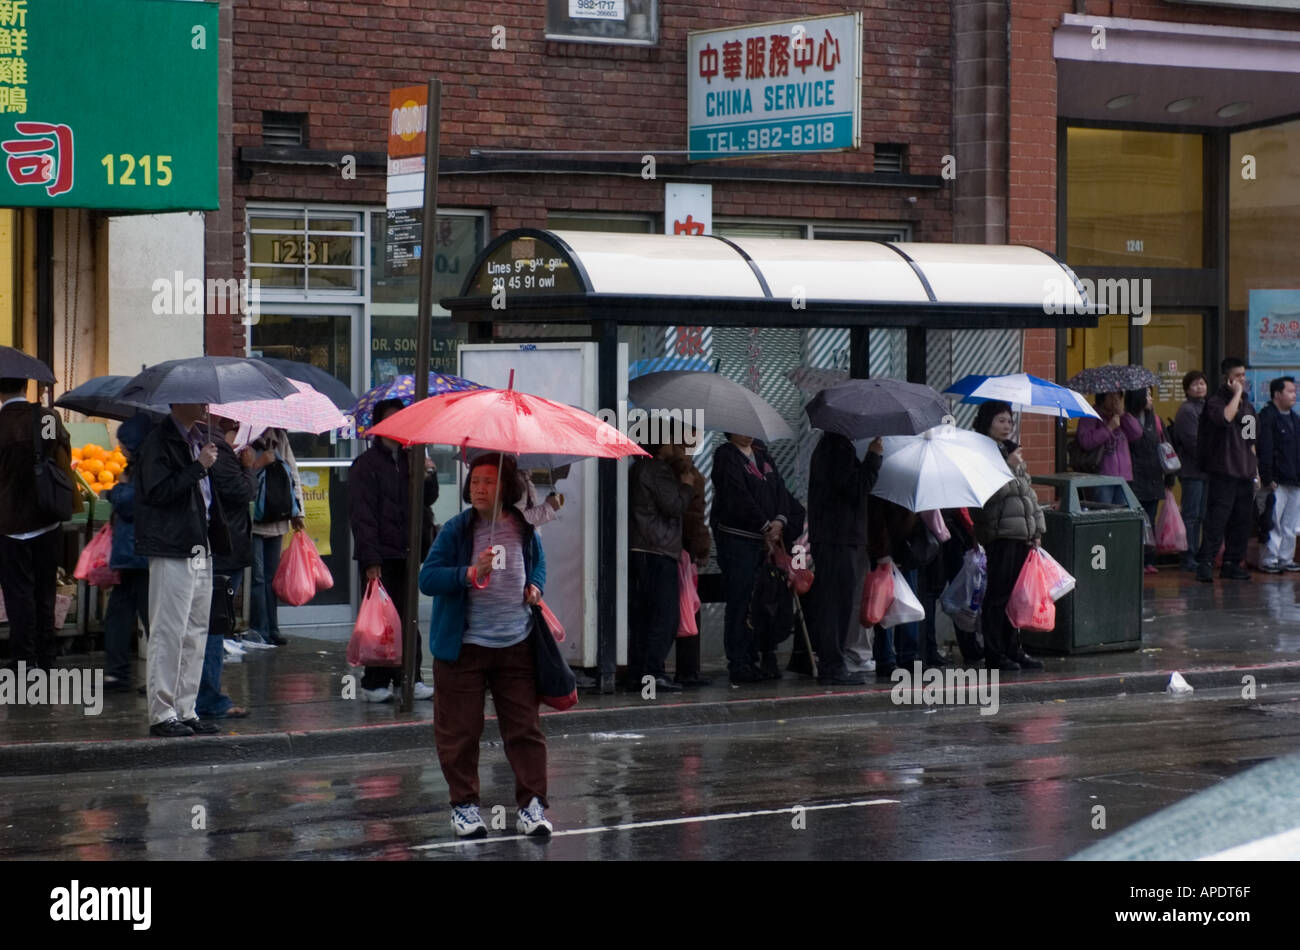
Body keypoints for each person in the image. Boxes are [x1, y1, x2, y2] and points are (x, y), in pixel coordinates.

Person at [419, 453, 552, 839]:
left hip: (516, 645)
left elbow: (539, 564)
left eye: (489, 482)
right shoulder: (457, 530)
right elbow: (428, 579)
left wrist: (536, 587)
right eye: (475, 481)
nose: (479, 488)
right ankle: (464, 808)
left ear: (506, 488)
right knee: (460, 732)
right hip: (464, 649)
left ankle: (532, 806)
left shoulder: (525, 528)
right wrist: (470, 573)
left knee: (525, 730)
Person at [135, 403, 228, 737]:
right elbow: (158, 492)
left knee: (195, 629)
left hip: (198, 542)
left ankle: (186, 708)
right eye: (197, 397)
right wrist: (198, 466)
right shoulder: (158, 441)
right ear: (177, 401)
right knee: (168, 629)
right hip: (171, 545)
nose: (205, 404)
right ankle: (162, 713)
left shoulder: (198, 439)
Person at [348, 398, 438, 702]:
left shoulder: (410, 458)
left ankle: (409, 677)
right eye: (392, 419)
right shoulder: (366, 466)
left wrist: (429, 473)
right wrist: (370, 559)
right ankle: (375, 682)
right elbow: (362, 515)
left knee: (408, 615)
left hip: (408, 551)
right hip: (381, 555)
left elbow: (427, 500)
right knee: (381, 621)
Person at [710, 432, 805, 685]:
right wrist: (763, 525)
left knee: (761, 602)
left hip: (767, 544)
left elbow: (781, 492)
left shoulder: (763, 456)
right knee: (740, 602)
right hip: (738, 540)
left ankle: (758, 657)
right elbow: (736, 496)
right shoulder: (726, 456)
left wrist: (779, 522)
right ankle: (739, 662)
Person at [0, 376, 79, 673]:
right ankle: (47, 657)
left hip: (9, 522)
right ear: (25, 384)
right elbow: (61, 453)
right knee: (45, 588)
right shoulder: (46, 417)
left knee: (17, 593)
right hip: (46, 516)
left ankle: (24, 660)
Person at [970, 401, 1046, 672]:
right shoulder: (981, 454)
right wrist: (1009, 467)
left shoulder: (1011, 453)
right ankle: (995, 652)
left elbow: (1028, 494)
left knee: (1016, 597)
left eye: (1009, 422)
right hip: (999, 534)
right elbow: (988, 496)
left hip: (1020, 535)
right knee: (998, 596)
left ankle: (1014, 649)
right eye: (1001, 420)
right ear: (988, 422)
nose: (1006, 426)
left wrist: (1037, 529)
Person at [807, 430, 882, 686]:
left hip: (837, 536)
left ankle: (833, 663)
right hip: (837, 537)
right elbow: (857, 486)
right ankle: (832, 665)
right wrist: (873, 458)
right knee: (835, 604)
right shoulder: (835, 448)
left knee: (837, 603)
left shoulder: (835, 446)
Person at [195, 416, 256, 721]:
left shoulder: (203, 443)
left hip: (209, 546)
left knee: (204, 623)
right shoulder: (217, 447)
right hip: (223, 547)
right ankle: (208, 698)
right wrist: (248, 466)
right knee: (214, 625)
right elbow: (242, 493)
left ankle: (199, 696)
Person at [626, 441, 692, 693]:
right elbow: (674, 506)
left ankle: (638, 673)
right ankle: (653, 673)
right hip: (658, 549)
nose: (675, 446)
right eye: (670, 441)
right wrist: (686, 486)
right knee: (664, 616)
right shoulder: (657, 469)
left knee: (643, 616)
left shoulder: (637, 468)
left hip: (641, 548)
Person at [101, 414, 154, 692]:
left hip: (140, 554)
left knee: (149, 617)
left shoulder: (145, 468)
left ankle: (152, 676)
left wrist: (117, 490)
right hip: (133, 555)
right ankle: (117, 673)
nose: (120, 447)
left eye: (123, 442)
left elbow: (132, 504)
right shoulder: (137, 466)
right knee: (120, 616)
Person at [1195, 358, 1258, 583]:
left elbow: (1251, 439)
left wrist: (1256, 471)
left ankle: (1232, 562)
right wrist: (1237, 393)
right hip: (1223, 470)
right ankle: (1206, 562)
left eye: (1244, 375)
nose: (1243, 379)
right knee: (1217, 519)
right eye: (1238, 375)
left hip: (1245, 471)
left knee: (1242, 520)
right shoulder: (1215, 402)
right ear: (1228, 378)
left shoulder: (1248, 406)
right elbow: (1224, 418)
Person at [247, 427, 304, 647]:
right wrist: (259, 462)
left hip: (278, 517)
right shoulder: (246, 435)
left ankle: (273, 628)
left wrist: (298, 511)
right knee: (258, 577)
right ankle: (259, 629)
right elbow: (239, 472)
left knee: (272, 577)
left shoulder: (280, 437)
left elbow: (293, 473)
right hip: (255, 519)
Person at [669, 440, 711, 687]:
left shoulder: (677, 468)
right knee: (687, 606)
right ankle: (687, 670)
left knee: (683, 606)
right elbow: (692, 514)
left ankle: (685, 669)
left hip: (678, 546)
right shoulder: (684, 471)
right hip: (683, 548)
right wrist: (701, 546)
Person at [1255, 376, 1300, 573]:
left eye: (1294, 391)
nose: (1294, 395)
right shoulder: (1266, 417)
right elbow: (1264, 448)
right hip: (1275, 480)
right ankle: (1269, 559)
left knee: (1290, 522)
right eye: (1290, 391)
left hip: (1294, 479)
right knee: (1272, 521)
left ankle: (1286, 557)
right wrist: (1267, 477)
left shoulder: (1295, 419)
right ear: (1277, 394)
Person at [1075, 391, 1142, 505]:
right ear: (1102, 397)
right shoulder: (1090, 415)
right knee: (1104, 513)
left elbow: (1137, 433)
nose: (1115, 400)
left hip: (1123, 477)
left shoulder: (1120, 416)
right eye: (1111, 396)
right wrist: (1109, 428)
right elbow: (1086, 441)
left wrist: (1123, 414)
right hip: (1102, 476)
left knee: (1121, 516)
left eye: (1118, 396)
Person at [1125, 388, 1165, 573]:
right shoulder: (1128, 420)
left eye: (1151, 394)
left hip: (1154, 476)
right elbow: (1138, 441)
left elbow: (1164, 443)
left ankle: (1150, 559)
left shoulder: (1154, 419)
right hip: (1136, 476)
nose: (1150, 399)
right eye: (1147, 395)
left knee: (1151, 520)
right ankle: (1137, 559)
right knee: (1137, 522)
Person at [1173, 371, 1208, 572]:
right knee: (1191, 515)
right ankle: (1188, 555)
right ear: (1187, 389)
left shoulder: (1207, 407)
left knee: (1202, 515)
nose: (1199, 387)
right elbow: (1193, 442)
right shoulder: (1186, 410)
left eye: (1202, 383)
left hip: (1206, 471)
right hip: (1192, 471)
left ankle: (1198, 554)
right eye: (1195, 384)